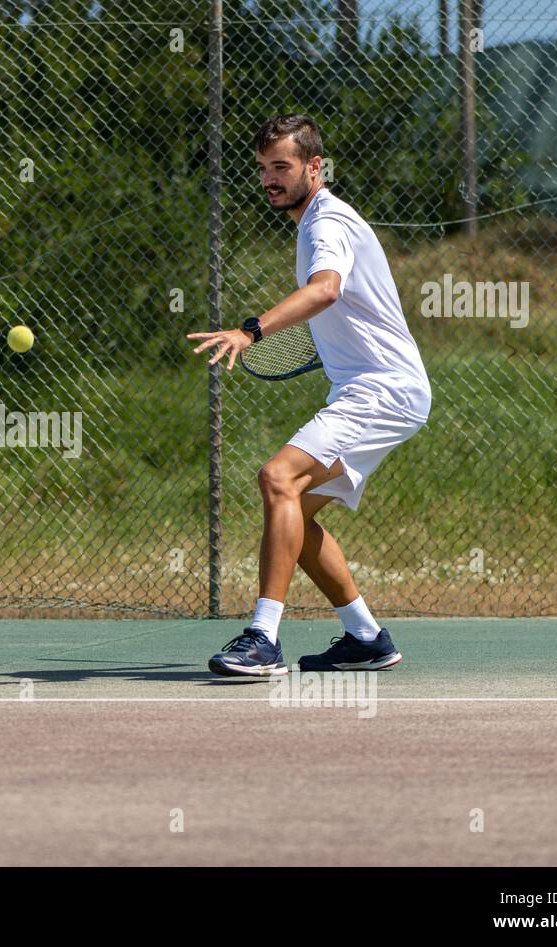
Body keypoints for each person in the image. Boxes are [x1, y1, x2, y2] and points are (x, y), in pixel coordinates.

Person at [187, 114, 431, 676]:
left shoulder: (326, 222)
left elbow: (326, 289)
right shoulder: (314, 223)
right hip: (386, 388)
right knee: (292, 513)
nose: (271, 179)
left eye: (283, 167)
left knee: (277, 478)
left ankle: (262, 639)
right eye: (264, 169)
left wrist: (250, 330)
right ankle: (366, 638)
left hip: (382, 390)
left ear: (313, 167)